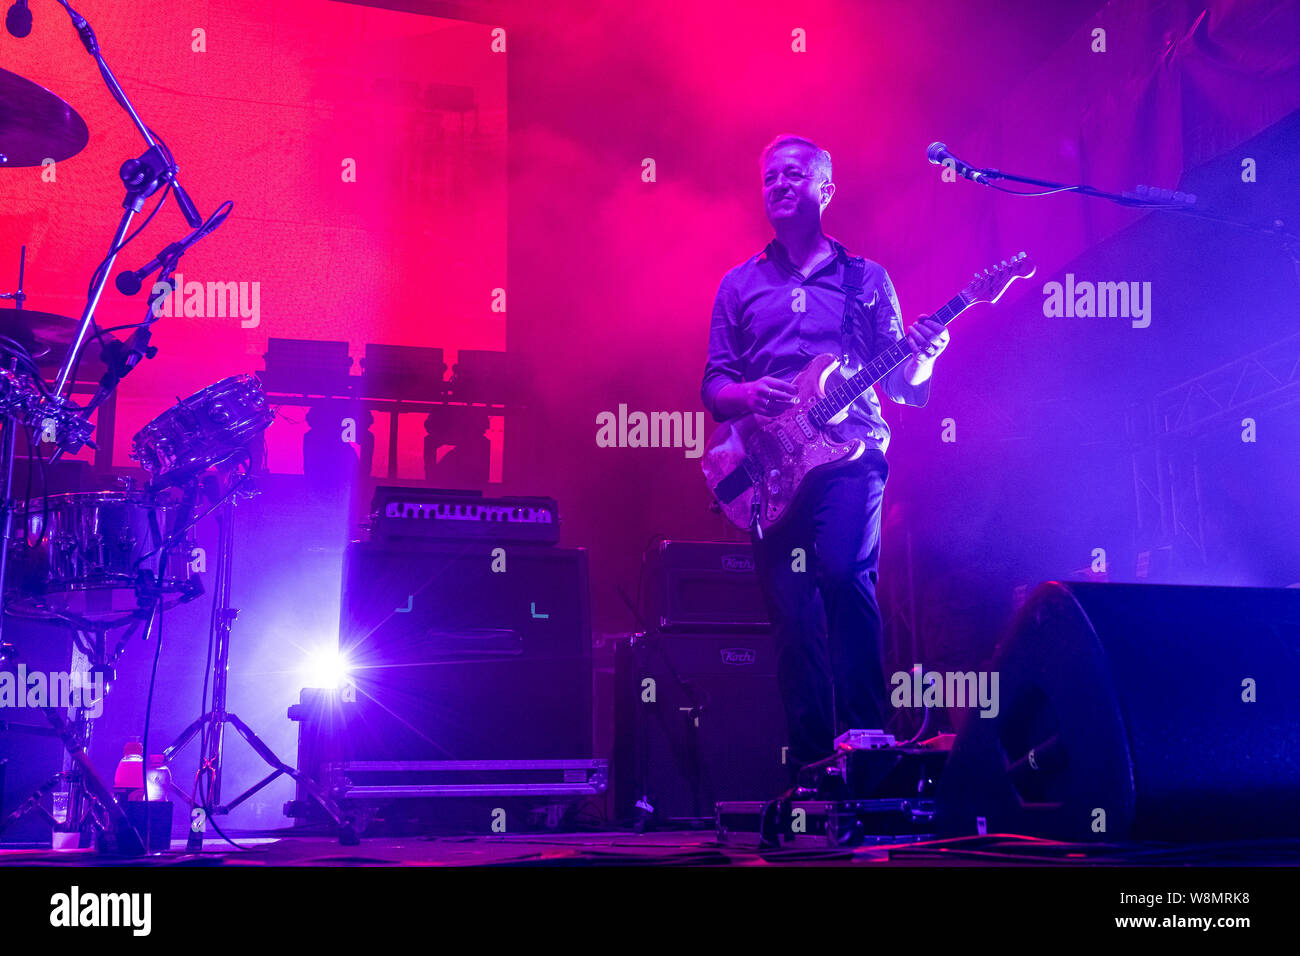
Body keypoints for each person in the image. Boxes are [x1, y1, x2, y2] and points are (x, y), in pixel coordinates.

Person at [700, 135, 950, 775]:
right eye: (769, 179)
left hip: (850, 452)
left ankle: (866, 747)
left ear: (825, 190)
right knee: (793, 620)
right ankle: (813, 768)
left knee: (843, 574)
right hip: (772, 468)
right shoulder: (738, 284)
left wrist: (924, 355)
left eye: (793, 175)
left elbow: (903, 387)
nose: (778, 185)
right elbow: (714, 385)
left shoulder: (867, 280)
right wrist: (749, 393)